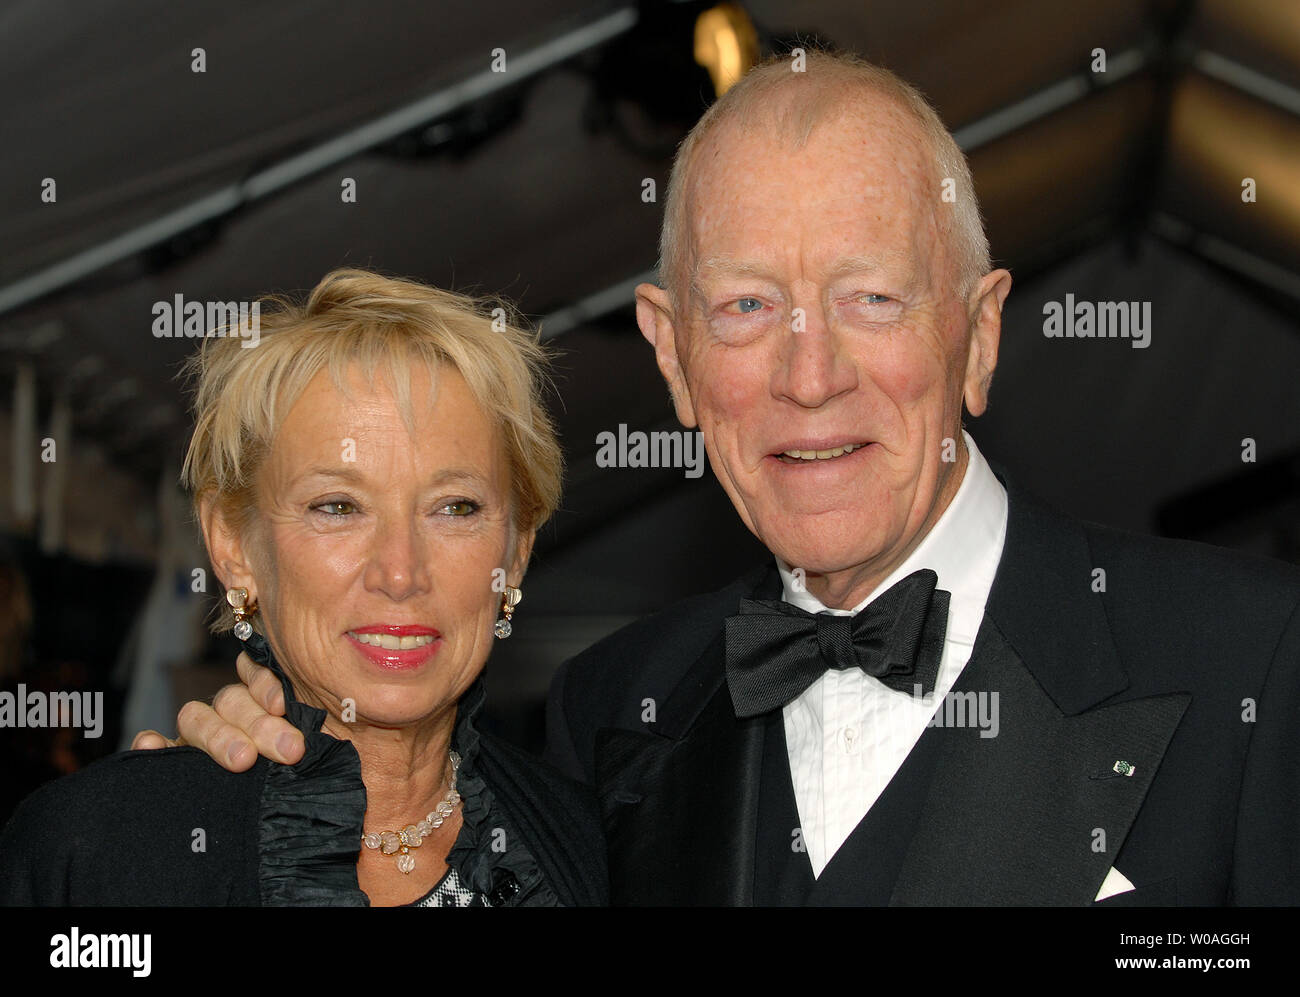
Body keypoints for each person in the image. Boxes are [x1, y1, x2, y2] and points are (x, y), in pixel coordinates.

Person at [135, 52, 1300, 905]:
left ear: (979, 335)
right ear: (672, 356)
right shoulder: (612, 711)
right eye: (746, 306)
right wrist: (265, 782)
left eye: (870, 297)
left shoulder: (1252, 663)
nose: (808, 375)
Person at [0, 269, 607, 906]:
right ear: (233, 546)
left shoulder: (591, 846)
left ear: (516, 552)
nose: (400, 573)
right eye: (337, 507)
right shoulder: (99, 853)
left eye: (454, 508)